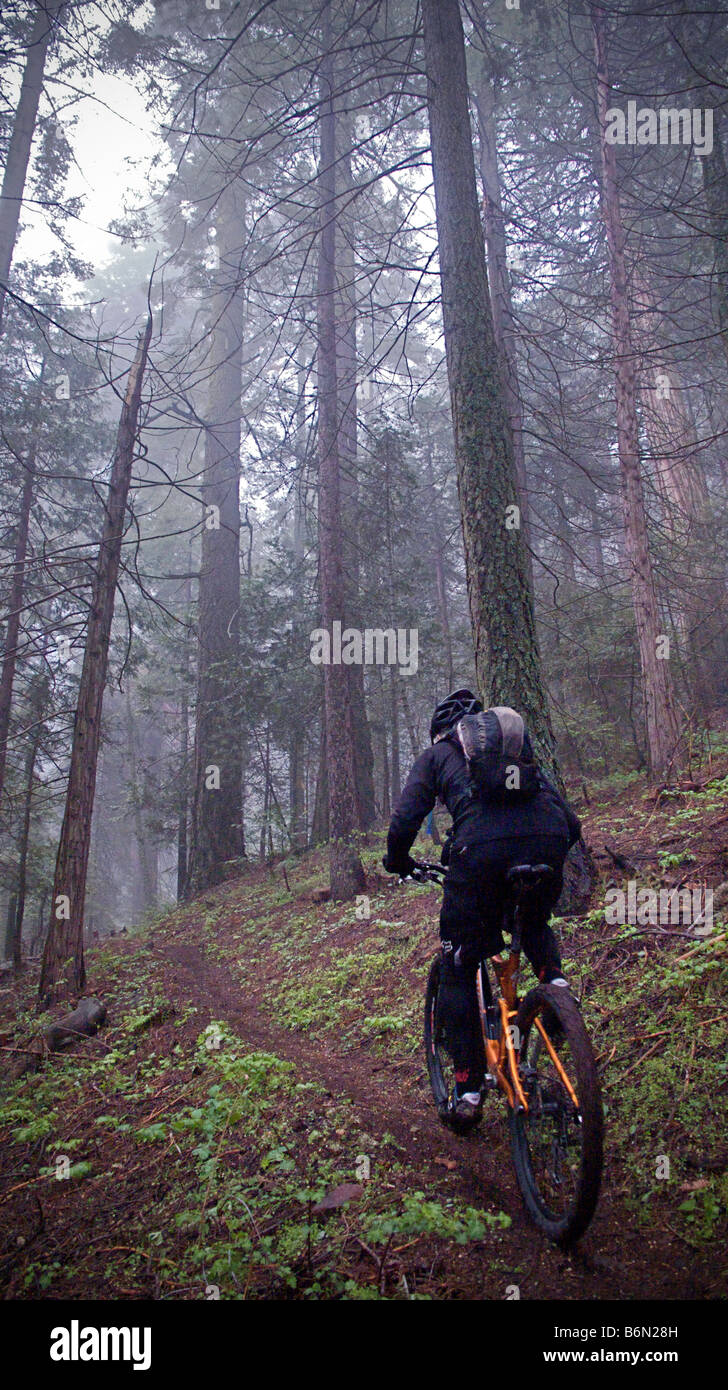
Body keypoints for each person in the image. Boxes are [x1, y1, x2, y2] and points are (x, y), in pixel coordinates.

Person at [382, 689, 582, 1129]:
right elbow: (571, 824)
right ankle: (558, 992)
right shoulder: (516, 752)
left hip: (480, 853)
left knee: (458, 959)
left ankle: (468, 1085)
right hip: (547, 839)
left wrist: (398, 861)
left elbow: (406, 818)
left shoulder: (436, 755)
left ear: (441, 732)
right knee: (531, 920)